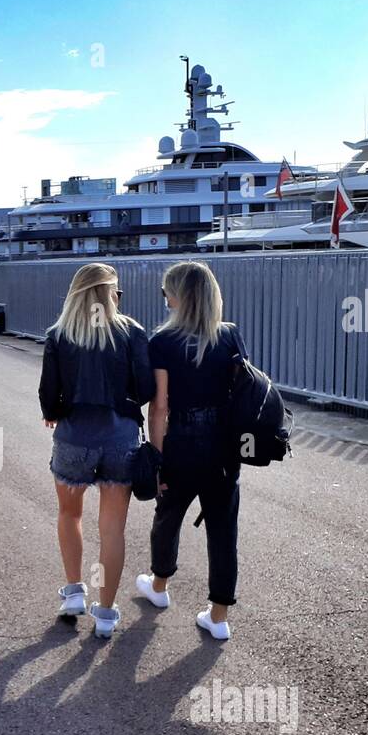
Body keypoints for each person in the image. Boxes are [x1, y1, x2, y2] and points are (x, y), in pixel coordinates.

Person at [39, 263, 155, 638]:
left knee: (69, 514)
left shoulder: (59, 335)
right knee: (112, 530)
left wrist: (54, 414)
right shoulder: (131, 332)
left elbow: (48, 392)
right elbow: (146, 389)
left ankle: (74, 592)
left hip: (73, 436)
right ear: (110, 294)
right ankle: (105, 614)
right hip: (119, 438)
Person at [137, 261, 247, 641]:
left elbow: (160, 407)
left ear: (179, 297)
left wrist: (156, 456)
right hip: (223, 446)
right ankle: (218, 617)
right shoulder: (230, 336)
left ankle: (160, 587)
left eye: (167, 290)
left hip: (182, 441)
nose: (164, 296)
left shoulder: (162, 342)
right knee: (223, 530)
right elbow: (240, 394)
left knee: (168, 515)